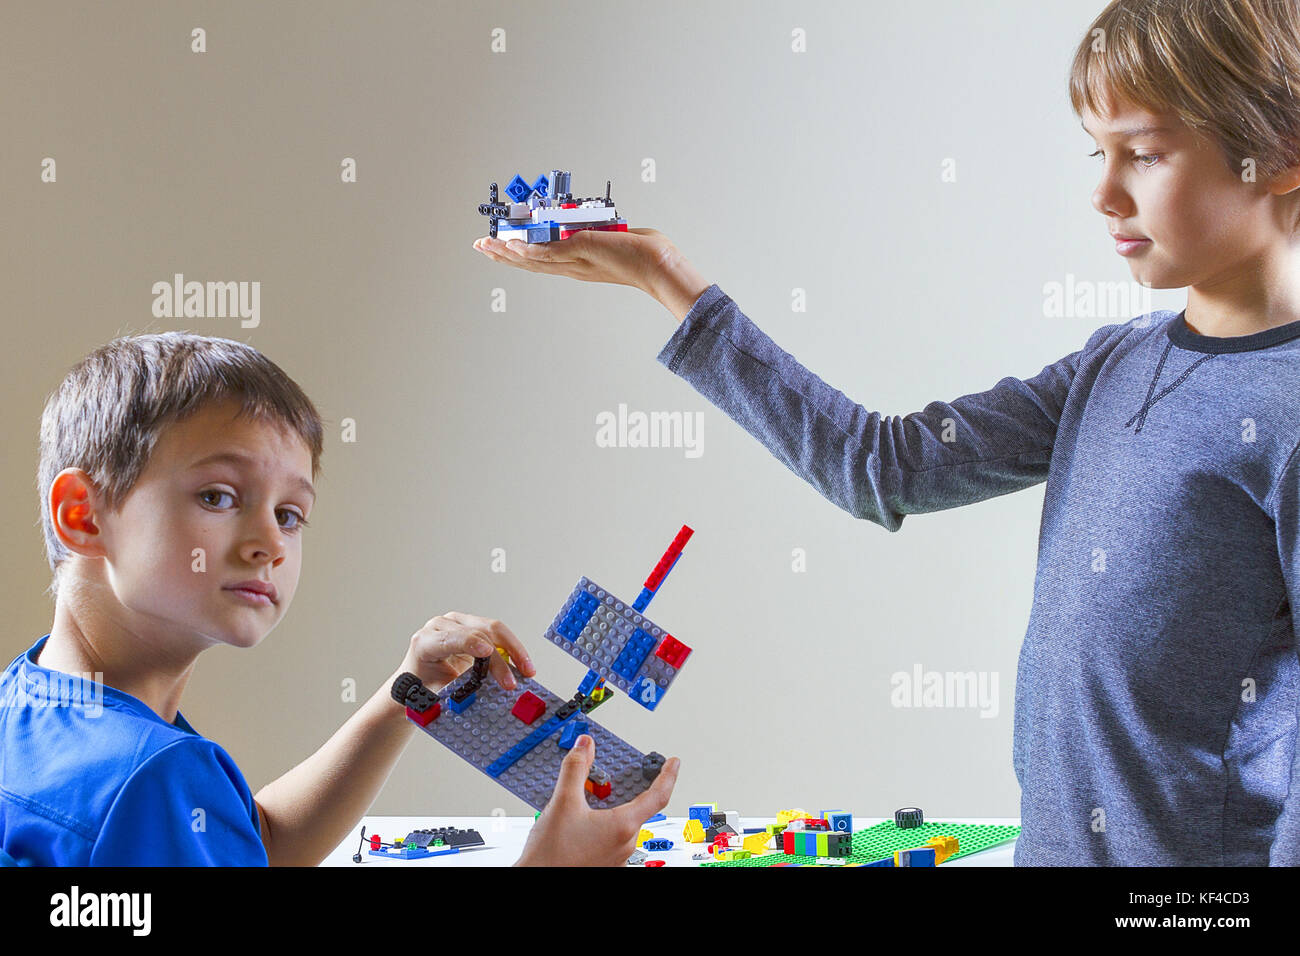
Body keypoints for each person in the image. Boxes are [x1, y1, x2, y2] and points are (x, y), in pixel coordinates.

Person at [474, 0, 1300, 865]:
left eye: (1147, 153)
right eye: (1101, 151)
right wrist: (664, 277)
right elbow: (878, 466)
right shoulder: (1110, 366)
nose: (1103, 191)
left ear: (1280, 155)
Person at [0, 332, 677, 866]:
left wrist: (404, 694)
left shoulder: (34, 712)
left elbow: (253, 847)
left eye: (291, 515)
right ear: (84, 515)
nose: (270, 542)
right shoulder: (154, 780)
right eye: (218, 496)